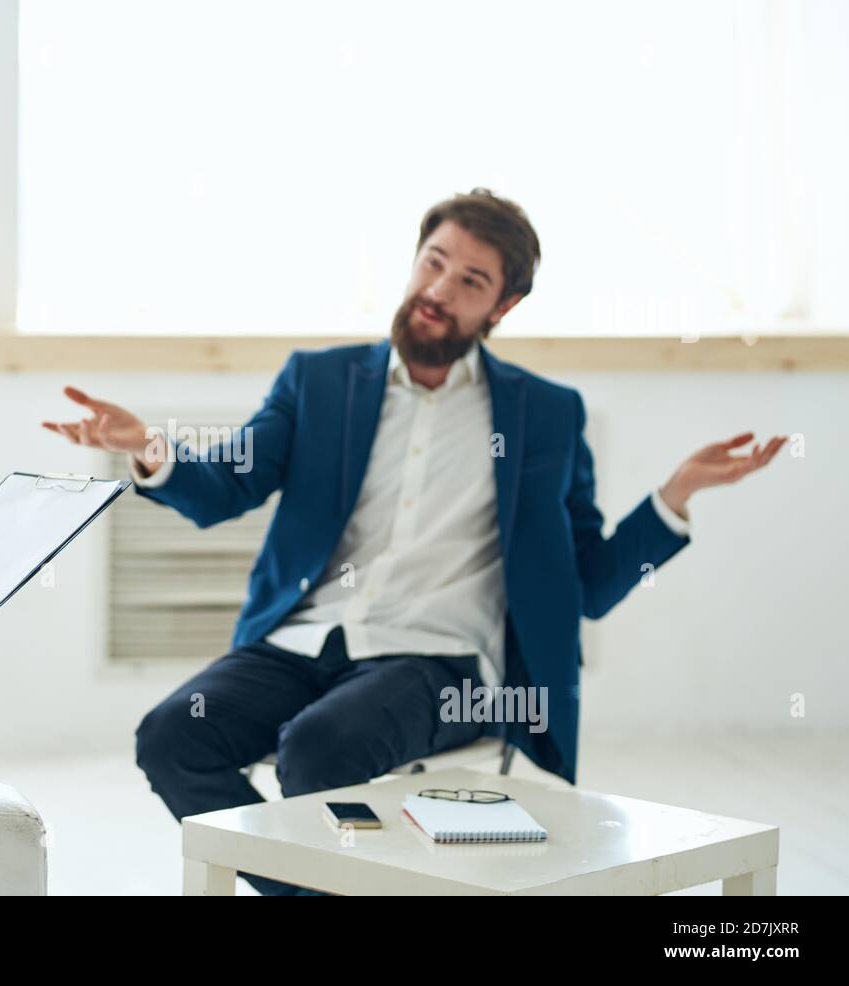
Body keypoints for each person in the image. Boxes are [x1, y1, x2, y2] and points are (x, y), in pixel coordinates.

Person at [43, 188, 785, 894]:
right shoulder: (320, 381)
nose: (439, 288)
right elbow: (226, 489)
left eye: (470, 279)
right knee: (172, 737)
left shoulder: (548, 415)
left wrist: (674, 498)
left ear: (504, 305)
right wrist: (149, 449)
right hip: (305, 640)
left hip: (438, 661)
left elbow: (588, 584)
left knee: (318, 747)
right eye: (433, 261)